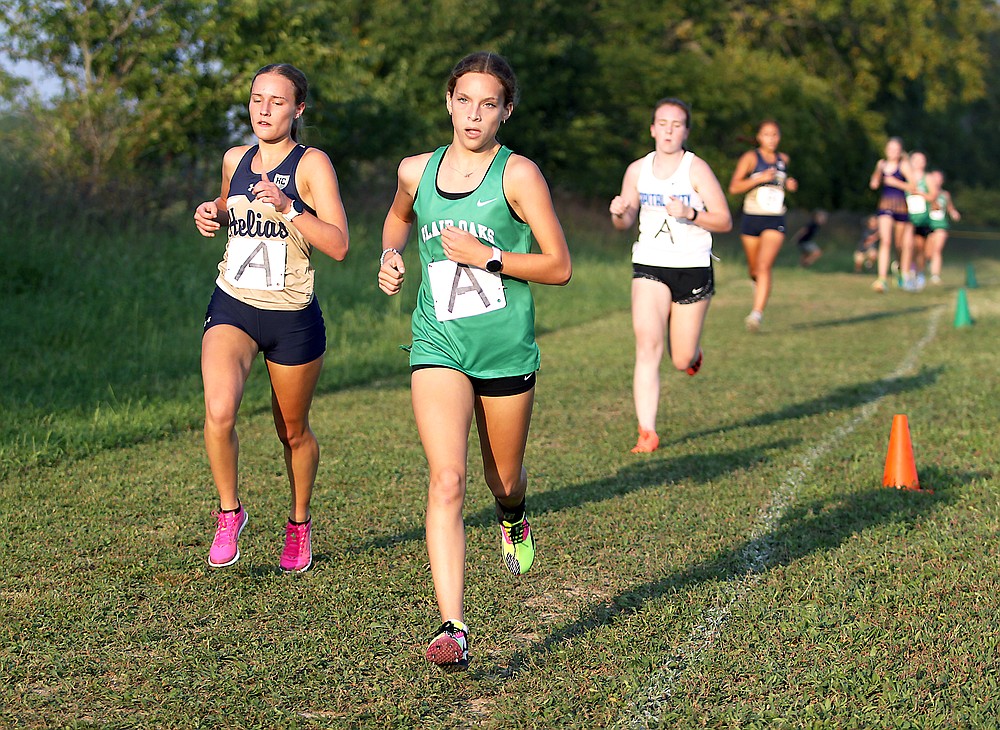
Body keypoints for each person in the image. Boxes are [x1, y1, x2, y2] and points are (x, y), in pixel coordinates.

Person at [377, 51, 571, 671]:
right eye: (465, 100)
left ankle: (513, 519)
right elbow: (398, 220)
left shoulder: (519, 176)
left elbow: (559, 266)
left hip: (505, 349)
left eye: (489, 104)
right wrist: (391, 256)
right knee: (446, 479)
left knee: (503, 480)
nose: (474, 114)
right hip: (439, 344)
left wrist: (488, 258)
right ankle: (453, 625)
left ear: (506, 112)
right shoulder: (416, 170)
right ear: (449, 102)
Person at [193, 64, 350, 574]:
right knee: (219, 412)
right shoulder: (235, 158)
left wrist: (289, 206)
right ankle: (229, 512)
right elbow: (226, 205)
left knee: (293, 432)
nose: (264, 110)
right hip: (233, 304)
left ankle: (299, 524)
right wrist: (210, 213)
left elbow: (339, 245)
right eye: (257, 99)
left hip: (292, 317)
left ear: (297, 109)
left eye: (277, 101)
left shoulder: (312, 165)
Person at [610, 97, 732, 454]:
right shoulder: (637, 170)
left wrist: (691, 212)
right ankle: (647, 431)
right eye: (662, 123)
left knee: (680, 359)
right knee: (647, 344)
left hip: (692, 265)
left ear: (686, 132)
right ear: (652, 129)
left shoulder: (696, 170)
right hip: (649, 262)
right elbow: (624, 222)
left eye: (676, 124)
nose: (668, 130)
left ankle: (692, 354)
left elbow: (724, 220)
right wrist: (619, 211)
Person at [728, 120, 799, 331]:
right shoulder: (751, 158)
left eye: (775, 134)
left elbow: (783, 182)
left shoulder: (783, 160)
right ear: (759, 136)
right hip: (752, 217)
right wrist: (759, 179)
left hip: (775, 218)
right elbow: (734, 187)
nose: (772, 139)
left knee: (764, 266)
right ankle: (755, 282)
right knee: (754, 268)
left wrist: (789, 184)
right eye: (767, 134)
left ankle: (756, 314)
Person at [867, 137, 914, 292]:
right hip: (885, 206)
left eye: (896, 149)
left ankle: (900, 268)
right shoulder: (881, 164)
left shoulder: (904, 165)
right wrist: (877, 174)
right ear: (886, 150)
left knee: (899, 245)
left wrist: (896, 183)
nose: (893, 152)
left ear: (900, 151)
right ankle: (882, 279)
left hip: (901, 208)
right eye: (890, 149)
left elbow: (913, 187)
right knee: (885, 241)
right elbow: (874, 184)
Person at [924, 169, 961, 285]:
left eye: (939, 179)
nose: (937, 181)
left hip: (941, 225)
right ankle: (919, 269)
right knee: (927, 253)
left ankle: (935, 275)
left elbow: (950, 208)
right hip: (927, 224)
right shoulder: (926, 193)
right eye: (934, 178)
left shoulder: (945, 195)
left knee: (937, 250)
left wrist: (954, 213)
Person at [905, 150, 931, 291]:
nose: (919, 163)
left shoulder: (928, 178)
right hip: (907, 217)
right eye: (916, 160)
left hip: (922, 219)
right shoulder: (906, 176)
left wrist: (921, 193)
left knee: (920, 249)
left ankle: (919, 273)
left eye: (922, 160)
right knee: (907, 246)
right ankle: (907, 274)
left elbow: (933, 196)